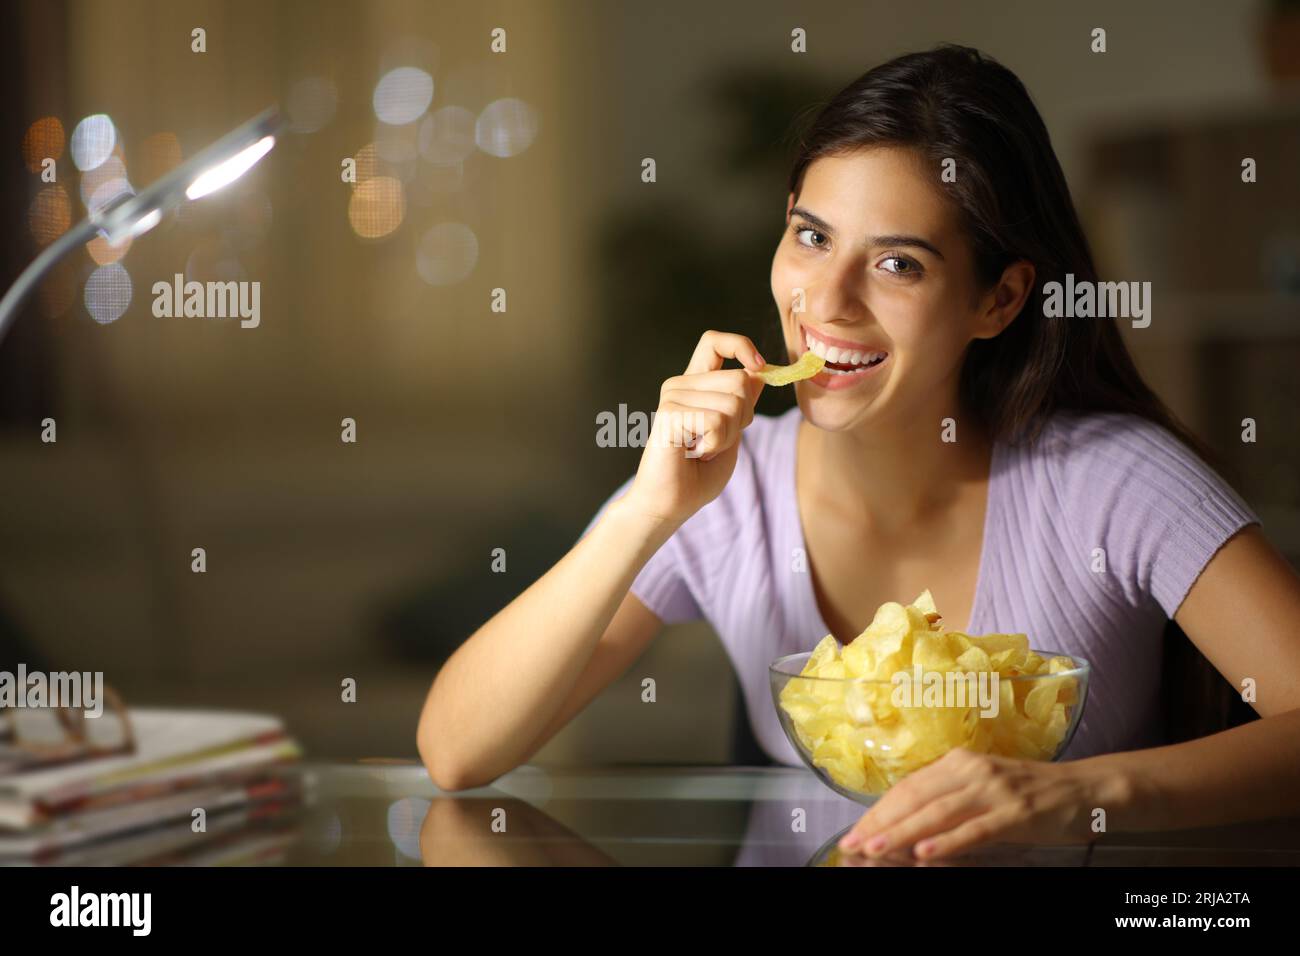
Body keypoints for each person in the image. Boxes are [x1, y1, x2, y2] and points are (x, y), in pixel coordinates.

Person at [417, 44, 1300, 861]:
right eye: (812, 236)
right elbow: (457, 754)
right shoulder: (725, 487)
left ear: (1000, 299)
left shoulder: (1115, 483)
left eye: (899, 264)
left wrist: (1083, 792)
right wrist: (649, 514)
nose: (827, 302)